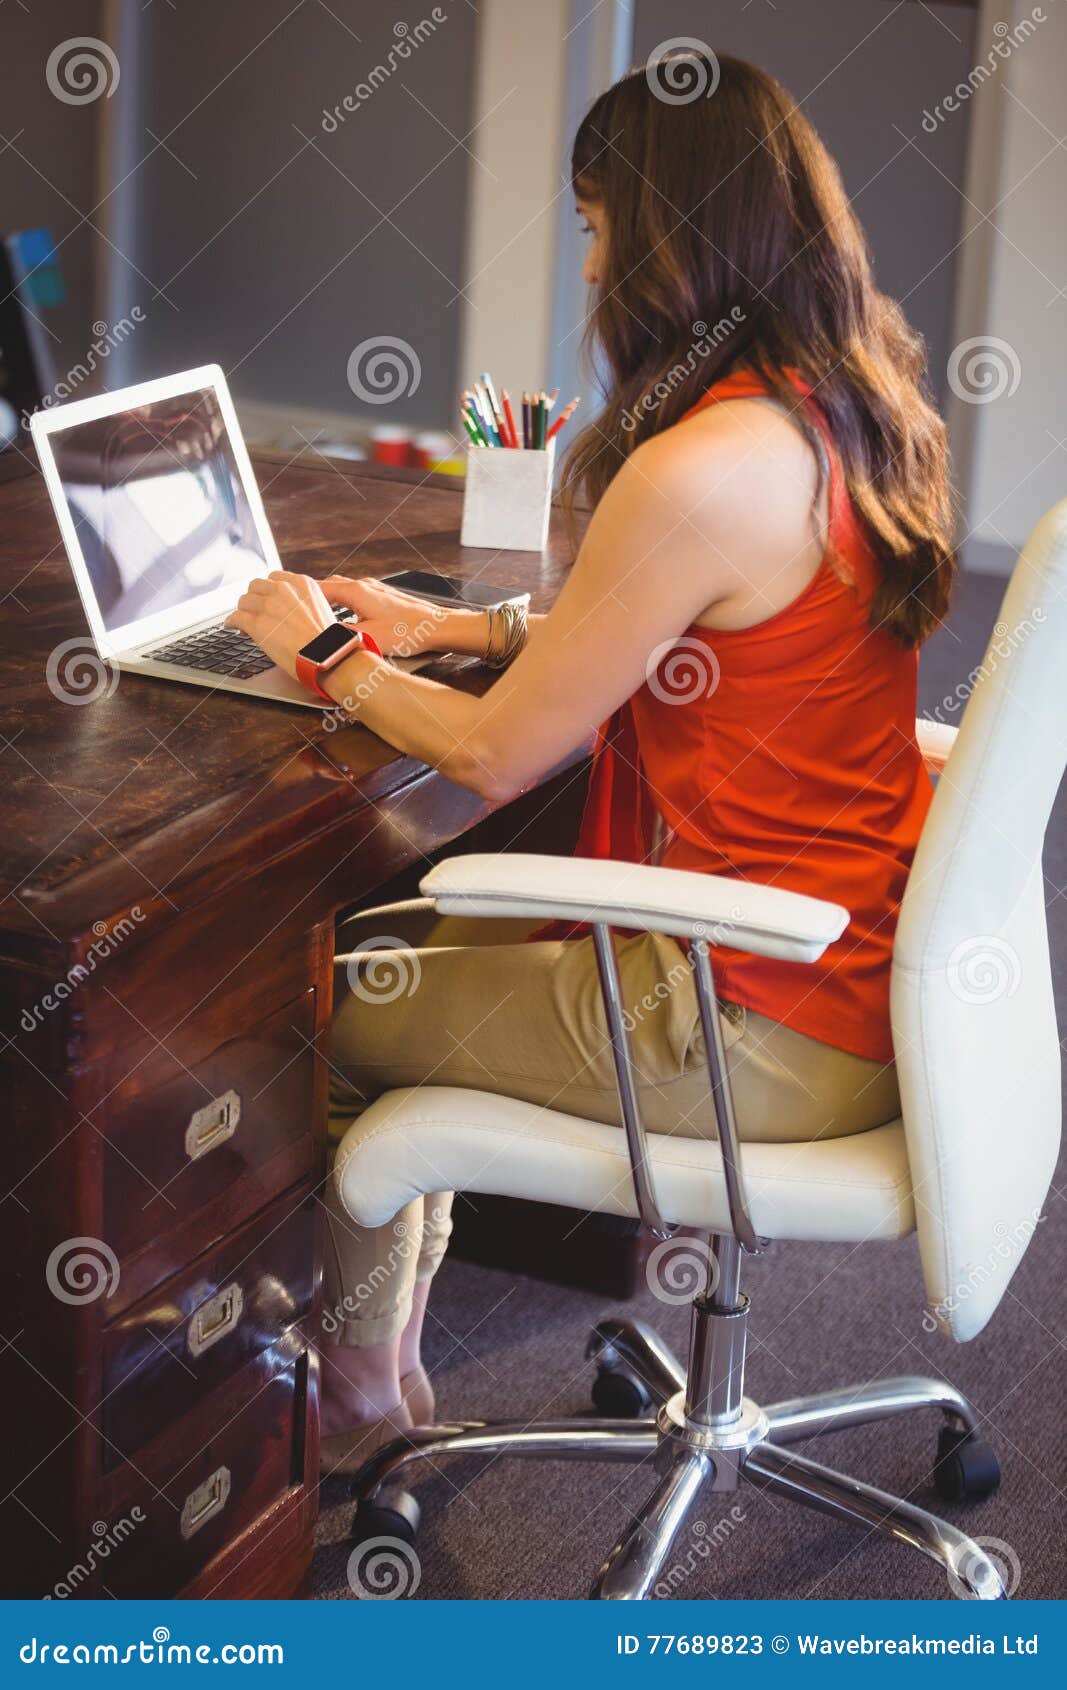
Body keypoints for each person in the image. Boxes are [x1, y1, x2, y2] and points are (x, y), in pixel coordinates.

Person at [228, 52, 954, 1474]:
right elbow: (705, 640)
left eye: (597, 222)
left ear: (670, 234)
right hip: (846, 969)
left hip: (743, 1022)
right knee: (394, 952)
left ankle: (365, 1394)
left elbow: (497, 754)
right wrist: (461, 625)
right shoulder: (855, 413)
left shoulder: (700, 469)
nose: (591, 264)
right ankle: (391, 1366)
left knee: (308, 1016)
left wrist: (325, 655)